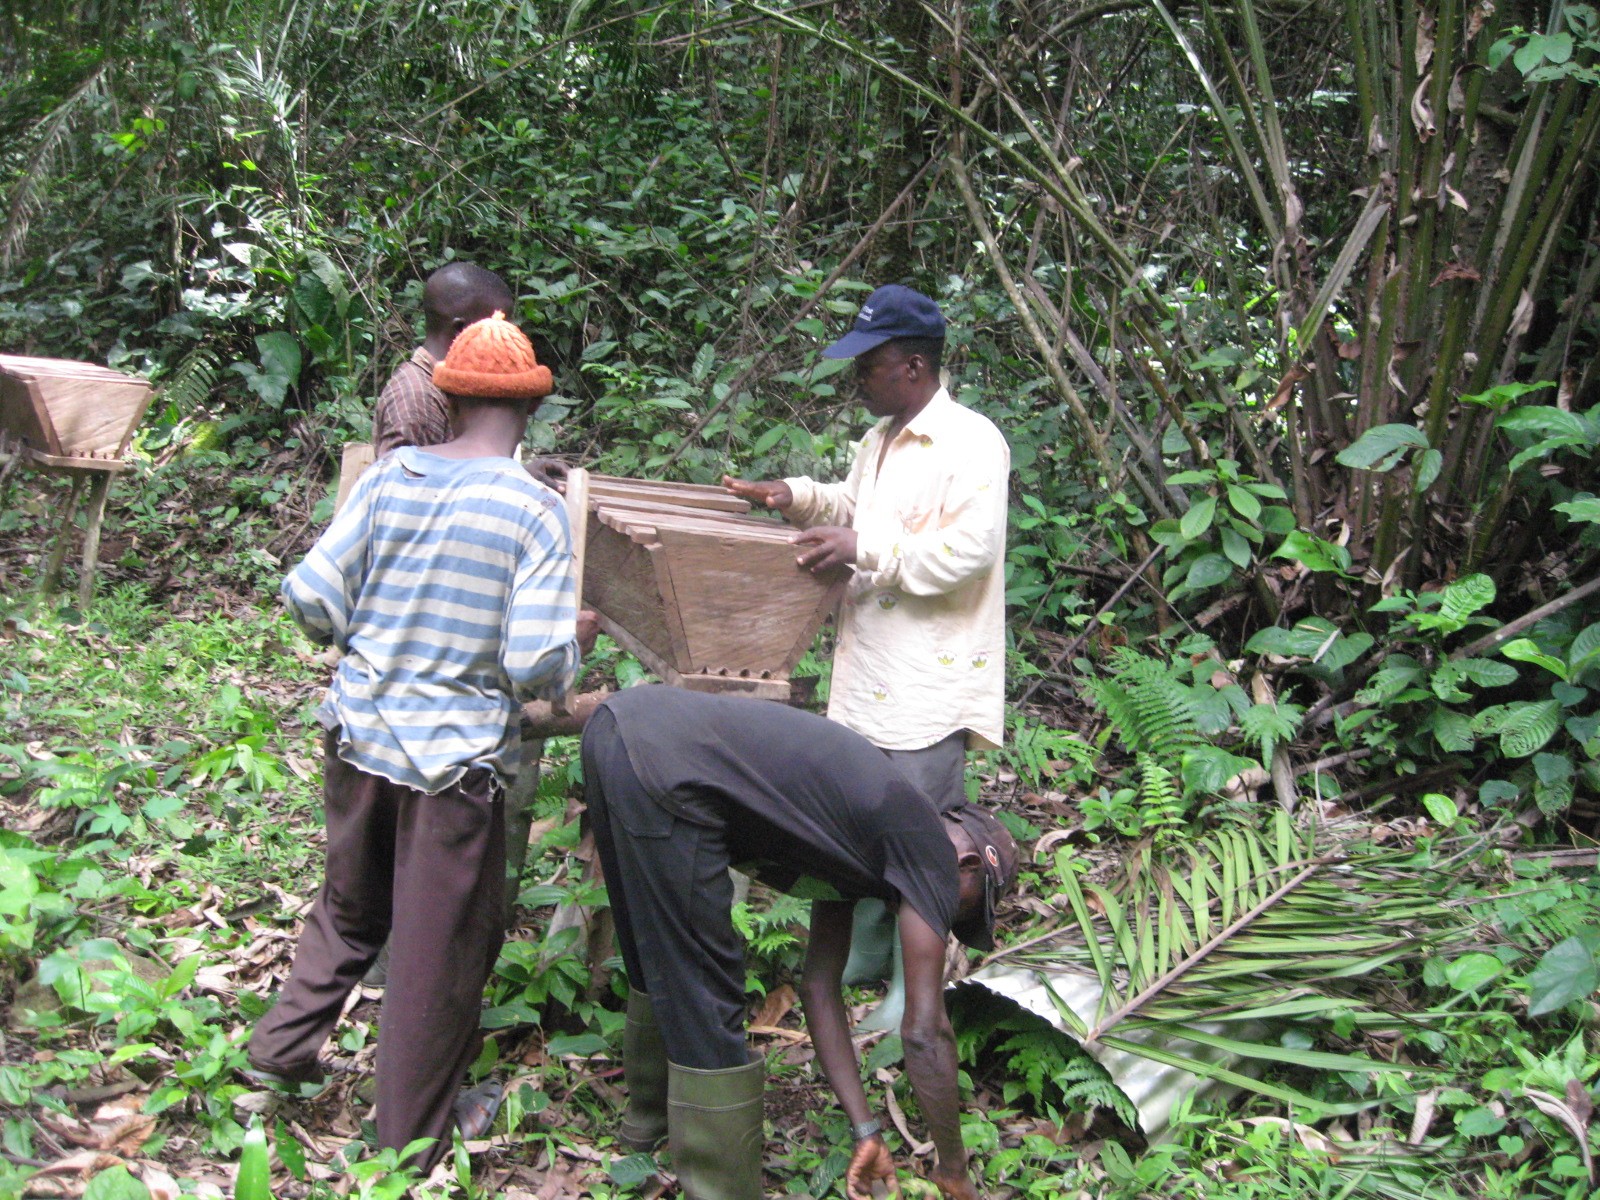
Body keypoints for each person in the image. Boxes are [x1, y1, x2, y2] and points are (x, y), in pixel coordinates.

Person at [247, 312, 597, 1172]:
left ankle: (283, 1048)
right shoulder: (534, 510)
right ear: (530, 410)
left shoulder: (389, 477)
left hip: (359, 736)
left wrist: (381, 636)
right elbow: (531, 662)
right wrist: (575, 639)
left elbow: (309, 597)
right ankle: (409, 1139)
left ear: (450, 398)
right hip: (453, 765)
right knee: (436, 952)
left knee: (350, 903)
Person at [583, 684, 1018, 1200]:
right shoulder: (930, 848)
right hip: (671, 767)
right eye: (967, 907)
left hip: (618, 729)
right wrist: (952, 1168)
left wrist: (866, 1133)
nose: (947, 919)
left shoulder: (863, 840)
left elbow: (818, 986)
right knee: (707, 988)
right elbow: (925, 1031)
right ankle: (722, 1190)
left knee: (652, 952)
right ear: (968, 867)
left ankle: (645, 1128)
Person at [723, 284, 1010, 1013]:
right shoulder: (878, 442)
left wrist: (864, 548)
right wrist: (792, 495)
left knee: (921, 833)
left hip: (930, 676)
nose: (857, 378)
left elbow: (968, 553)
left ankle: (918, 984)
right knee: (857, 818)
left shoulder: (972, 443)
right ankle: (869, 952)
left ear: (913, 366)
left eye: (869, 365)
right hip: (870, 670)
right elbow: (859, 509)